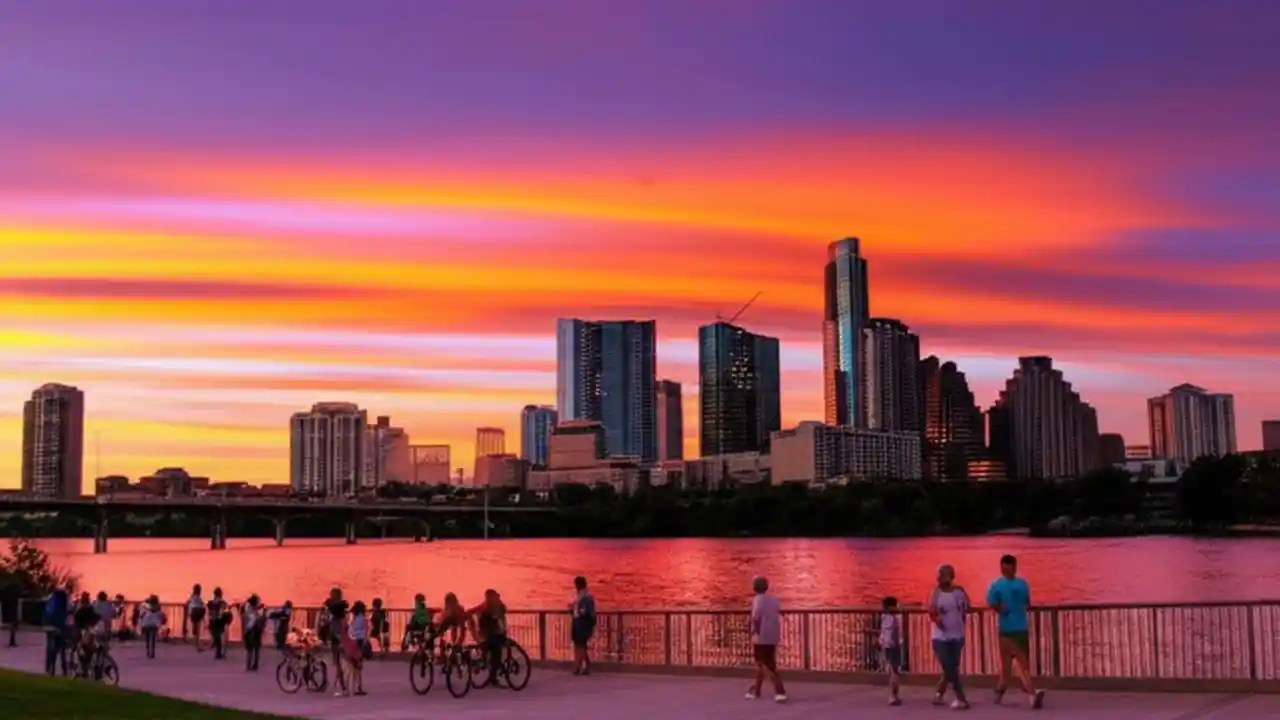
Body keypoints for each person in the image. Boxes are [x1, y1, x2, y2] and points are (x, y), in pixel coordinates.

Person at [988, 555, 1045, 710]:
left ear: (1013, 567)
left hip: (1014, 629)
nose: (1004, 570)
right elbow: (994, 603)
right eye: (1003, 567)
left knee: (1015, 666)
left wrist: (1003, 609)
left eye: (1007, 567)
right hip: (1012, 629)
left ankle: (1003, 694)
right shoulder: (1005, 585)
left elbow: (993, 603)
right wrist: (1003, 609)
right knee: (1017, 666)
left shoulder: (1010, 584)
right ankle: (1031, 693)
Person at [928, 564, 970, 710]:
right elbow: (931, 610)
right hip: (940, 637)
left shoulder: (959, 592)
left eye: (946, 575)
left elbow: (966, 608)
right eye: (941, 575)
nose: (943, 578)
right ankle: (961, 698)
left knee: (951, 668)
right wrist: (937, 619)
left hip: (957, 636)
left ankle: (938, 695)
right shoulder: (936, 593)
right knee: (949, 666)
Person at [747, 576, 787, 703]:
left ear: (754, 588)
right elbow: (778, 613)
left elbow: (756, 617)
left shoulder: (757, 600)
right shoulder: (774, 600)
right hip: (773, 635)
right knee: (764, 663)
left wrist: (755, 631)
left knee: (767, 665)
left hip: (761, 637)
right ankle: (756, 690)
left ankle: (779, 691)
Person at [470, 589, 508, 686]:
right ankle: (492, 675)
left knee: (494, 651)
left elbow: (501, 617)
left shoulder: (496, 606)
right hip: (489, 633)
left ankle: (492, 675)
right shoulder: (487, 606)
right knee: (494, 651)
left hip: (492, 633)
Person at [323, 587, 351, 696]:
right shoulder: (342, 612)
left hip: (336, 638)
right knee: (343, 663)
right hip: (343, 637)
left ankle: (341, 686)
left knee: (338, 663)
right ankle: (341, 685)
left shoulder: (333, 616)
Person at [570, 576, 596, 675]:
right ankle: (585, 666)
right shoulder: (578, 597)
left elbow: (590, 613)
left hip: (582, 624)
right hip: (577, 623)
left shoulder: (587, 598)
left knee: (580, 645)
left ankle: (578, 666)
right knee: (580, 645)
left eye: (576, 584)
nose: (576, 586)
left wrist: (582, 613)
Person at [880, 596, 904, 706]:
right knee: (895, 670)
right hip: (893, 646)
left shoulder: (884, 617)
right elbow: (894, 633)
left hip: (886, 646)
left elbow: (884, 632)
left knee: (891, 669)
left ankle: (894, 694)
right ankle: (893, 695)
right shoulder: (895, 618)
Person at [71, 592, 101, 675]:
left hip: (84, 631)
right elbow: (95, 617)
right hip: (89, 631)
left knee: (81, 648)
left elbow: (76, 620)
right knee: (88, 649)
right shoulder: (90, 608)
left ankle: (83, 669)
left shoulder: (81, 609)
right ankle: (86, 667)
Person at [42, 589, 70, 676]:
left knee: (50, 648)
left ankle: (49, 668)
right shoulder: (62, 602)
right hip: (58, 628)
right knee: (61, 650)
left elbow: (46, 614)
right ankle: (64, 669)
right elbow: (64, 616)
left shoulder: (51, 601)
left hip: (48, 627)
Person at [345, 601, 369, 695]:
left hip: (352, 642)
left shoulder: (353, 619)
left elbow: (351, 631)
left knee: (353, 666)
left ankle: (352, 687)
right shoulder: (362, 619)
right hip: (359, 642)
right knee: (358, 667)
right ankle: (357, 687)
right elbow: (364, 632)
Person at [241, 594, 265, 671]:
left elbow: (245, 623)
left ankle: (249, 665)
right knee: (256, 649)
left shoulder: (247, 611)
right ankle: (255, 665)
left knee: (250, 650)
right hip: (255, 631)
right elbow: (261, 621)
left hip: (249, 632)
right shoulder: (258, 612)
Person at [139, 595, 166, 659]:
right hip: (155, 624)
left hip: (147, 623)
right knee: (153, 638)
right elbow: (160, 615)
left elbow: (141, 615)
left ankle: (148, 651)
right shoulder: (158, 607)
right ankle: (152, 651)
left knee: (147, 638)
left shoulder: (145, 606)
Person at [207, 587, 229, 660]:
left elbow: (209, 613)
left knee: (216, 637)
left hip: (213, 621)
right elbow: (223, 610)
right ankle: (219, 653)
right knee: (220, 637)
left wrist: (211, 617)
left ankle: (218, 652)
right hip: (219, 621)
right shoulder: (222, 603)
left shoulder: (210, 603)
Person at [186, 584, 206, 652]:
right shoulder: (198, 597)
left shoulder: (192, 596)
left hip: (193, 612)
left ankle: (196, 644)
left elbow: (187, 603)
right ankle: (198, 645)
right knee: (198, 629)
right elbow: (202, 604)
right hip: (199, 612)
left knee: (195, 628)